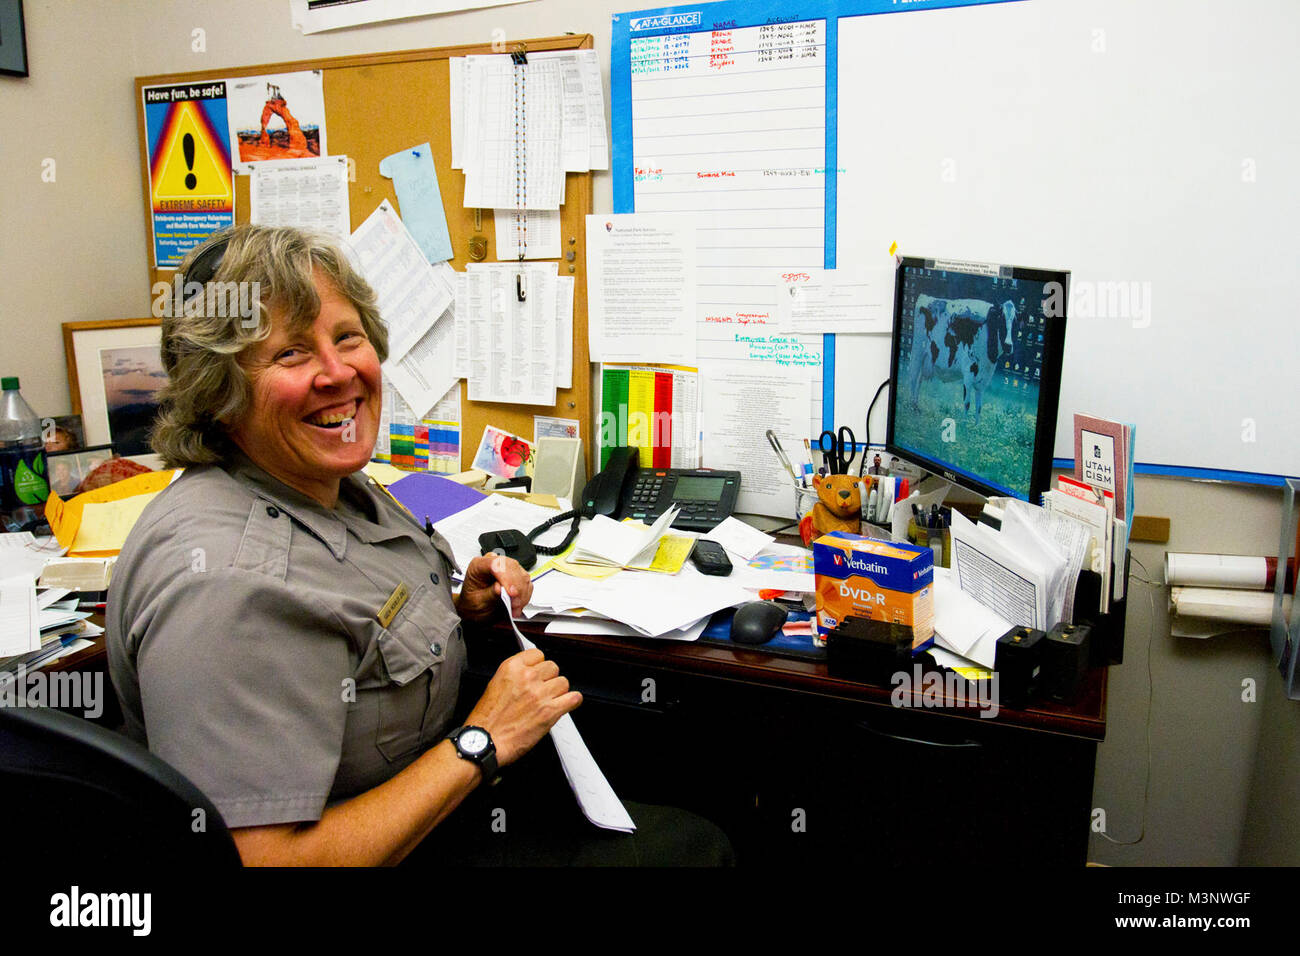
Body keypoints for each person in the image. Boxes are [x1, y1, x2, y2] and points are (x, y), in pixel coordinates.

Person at [107, 225, 730, 866]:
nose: (338, 371)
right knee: (693, 849)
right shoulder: (231, 581)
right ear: (220, 391)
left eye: (347, 337)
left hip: (438, 811)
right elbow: (263, 865)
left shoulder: (327, 485)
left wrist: (463, 613)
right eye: (291, 354)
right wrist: (484, 739)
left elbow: (351, 633)